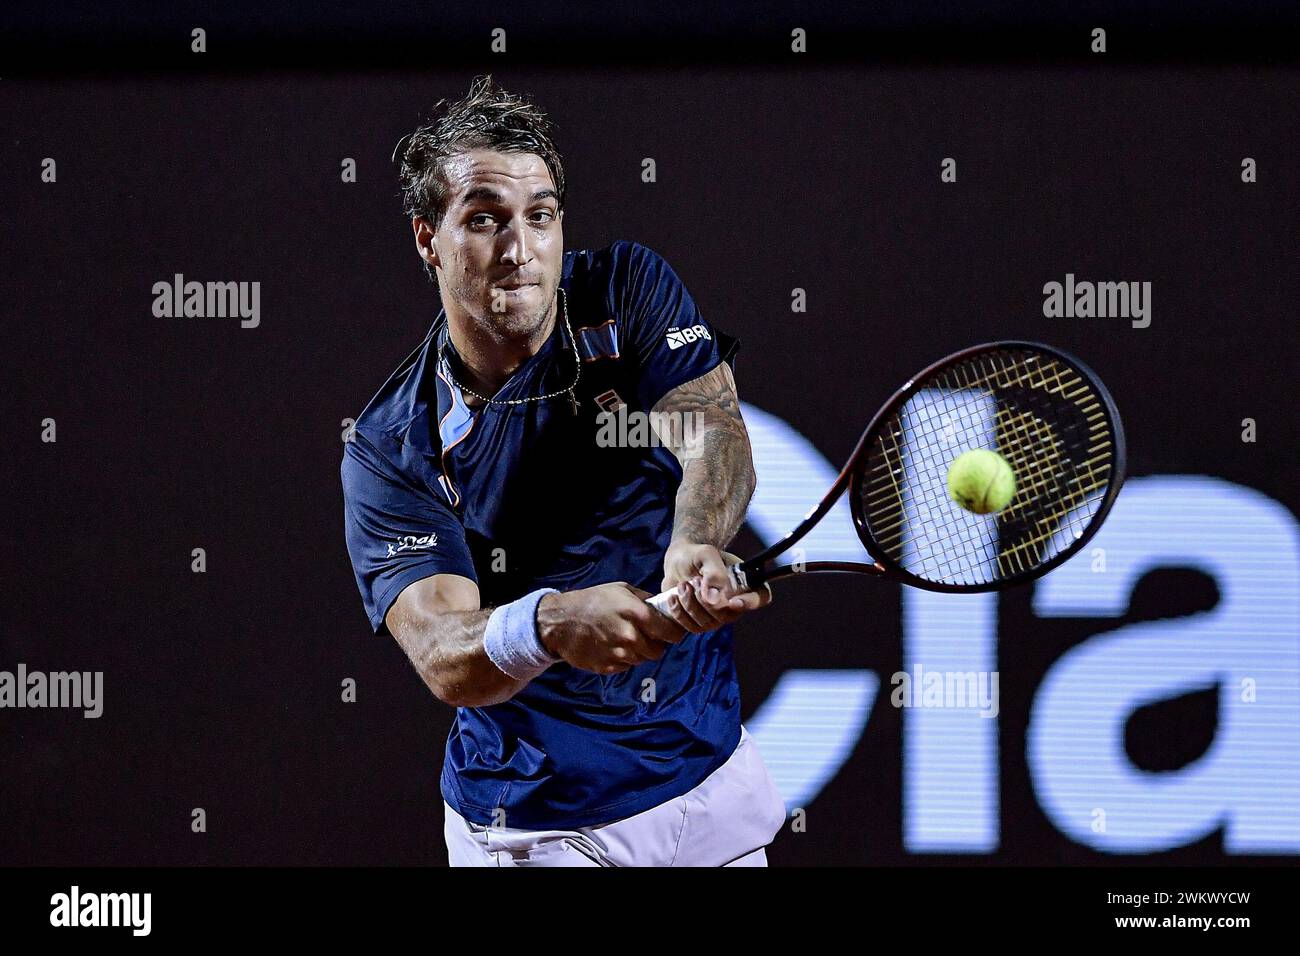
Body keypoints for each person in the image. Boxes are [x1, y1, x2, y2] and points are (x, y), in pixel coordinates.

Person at [341, 75, 786, 866]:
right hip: (540, 827)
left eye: (539, 216)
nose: (519, 250)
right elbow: (445, 653)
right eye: (484, 220)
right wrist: (548, 623)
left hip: (710, 782)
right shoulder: (391, 445)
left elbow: (711, 428)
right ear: (427, 238)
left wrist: (694, 541)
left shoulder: (625, 289)